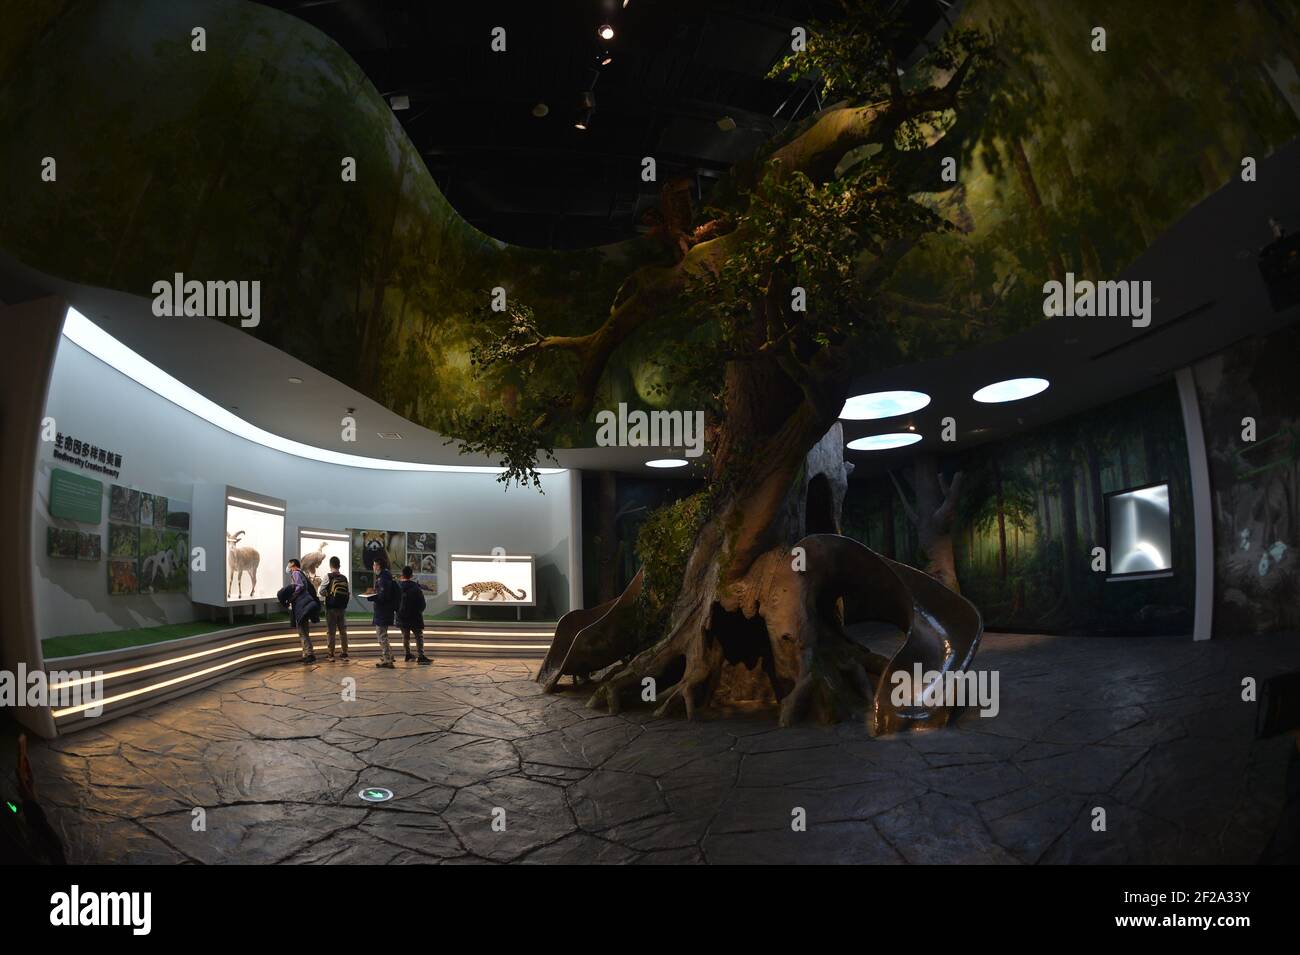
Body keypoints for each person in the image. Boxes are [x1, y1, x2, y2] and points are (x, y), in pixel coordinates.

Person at [276, 558, 319, 663]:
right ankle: (305, 654)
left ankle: (309, 654)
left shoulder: (295, 573)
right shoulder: (302, 573)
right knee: (304, 630)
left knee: (302, 631)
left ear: (293, 564)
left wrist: (292, 597)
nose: (288, 566)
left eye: (289, 563)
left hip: (301, 606)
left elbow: (299, 586)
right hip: (306, 605)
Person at [367, 559, 398, 668]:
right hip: (385, 611)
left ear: (379, 566)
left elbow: (383, 596)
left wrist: (371, 597)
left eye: (374, 564)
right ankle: (389, 655)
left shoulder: (383, 579)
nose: (373, 566)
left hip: (383, 611)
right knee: (383, 635)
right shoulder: (386, 577)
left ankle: (387, 660)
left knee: (381, 635)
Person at [396, 565, 431, 664]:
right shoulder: (416, 587)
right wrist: (418, 611)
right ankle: (421, 656)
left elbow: (395, 602)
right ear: (411, 575)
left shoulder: (398, 586)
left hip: (401, 616)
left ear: (402, 575)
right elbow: (422, 604)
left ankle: (407, 654)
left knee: (405, 636)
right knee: (418, 636)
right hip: (415, 616)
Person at [322, 555, 351, 661]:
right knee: (343, 631)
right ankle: (344, 653)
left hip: (331, 608)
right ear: (339, 565)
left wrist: (328, 594)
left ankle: (331, 654)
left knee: (331, 631)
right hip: (342, 608)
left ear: (330, 565)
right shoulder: (344, 578)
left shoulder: (328, 576)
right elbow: (347, 592)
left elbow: (321, 591)